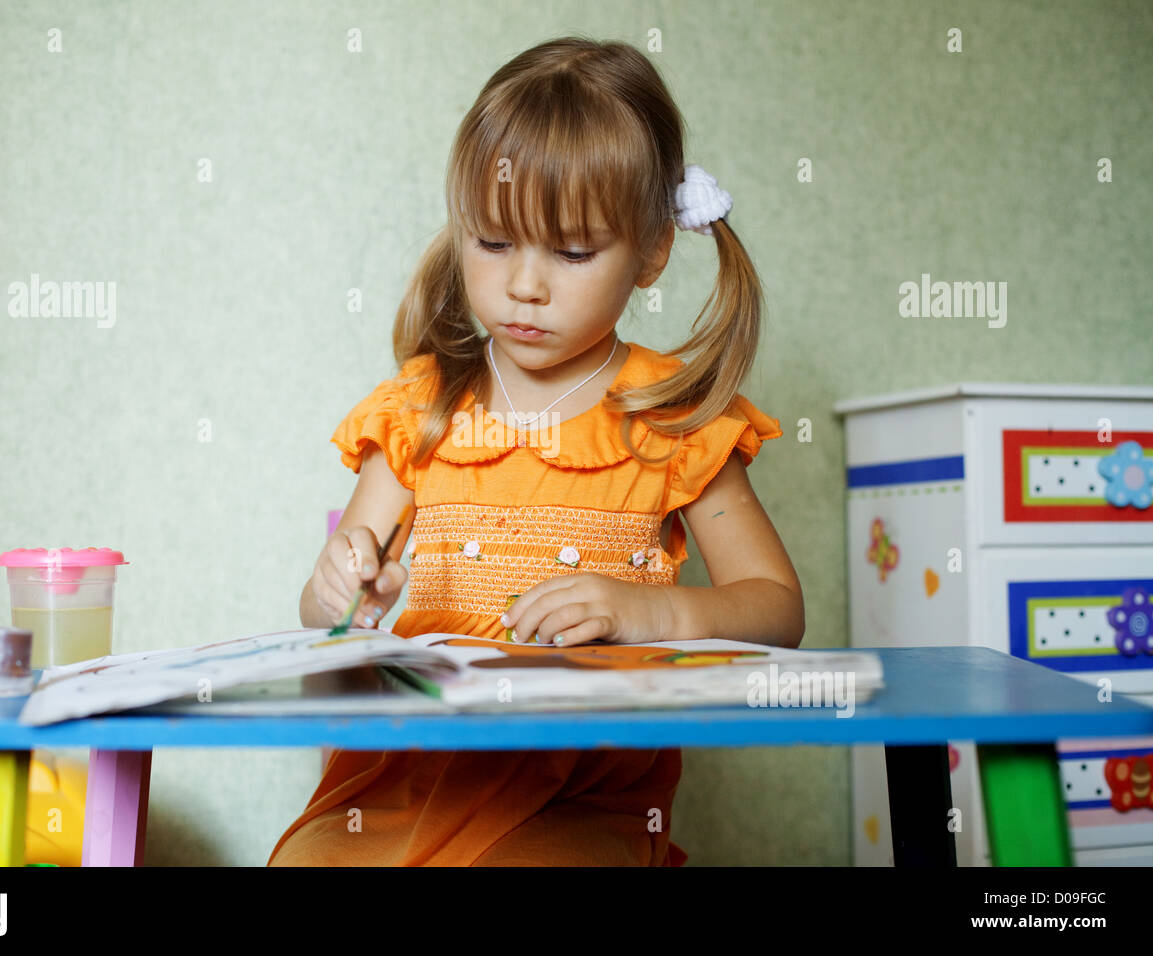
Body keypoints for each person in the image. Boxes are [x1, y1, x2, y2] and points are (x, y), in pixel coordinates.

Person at [268, 35, 804, 867]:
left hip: (581, 788)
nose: (524, 285)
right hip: (404, 773)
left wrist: (651, 613)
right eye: (492, 243)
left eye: (573, 252)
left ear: (653, 250)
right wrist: (343, 589)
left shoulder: (675, 416)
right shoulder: (422, 405)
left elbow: (776, 608)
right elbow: (330, 608)